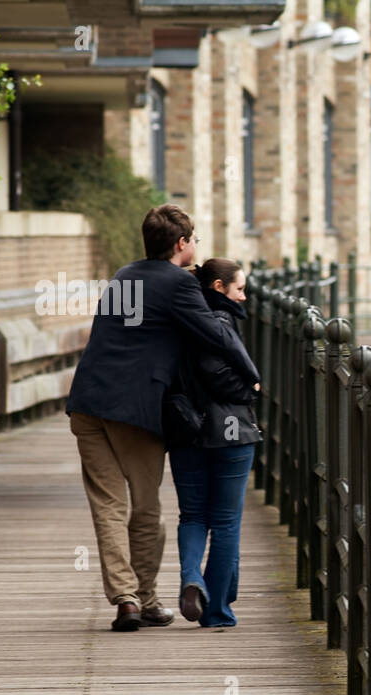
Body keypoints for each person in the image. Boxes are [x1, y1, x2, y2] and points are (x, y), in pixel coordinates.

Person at [66, 205, 258, 632]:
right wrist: (253, 376)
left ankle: (125, 599)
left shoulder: (124, 275)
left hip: (88, 400)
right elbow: (216, 335)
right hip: (135, 409)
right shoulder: (179, 284)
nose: (196, 246)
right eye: (194, 240)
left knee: (108, 506)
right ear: (181, 243)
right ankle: (148, 598)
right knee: (146, 507)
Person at [165, 259, 263, 628]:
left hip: (185, 430)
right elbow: (217, 374)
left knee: (192, 516)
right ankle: (217, 610)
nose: (244, 296)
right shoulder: (217, 320)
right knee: (225, 522)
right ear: (219, 287)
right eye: (240, 289)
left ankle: (192, 577)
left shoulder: (176, 316)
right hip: (230, 433)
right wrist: (251, 389)